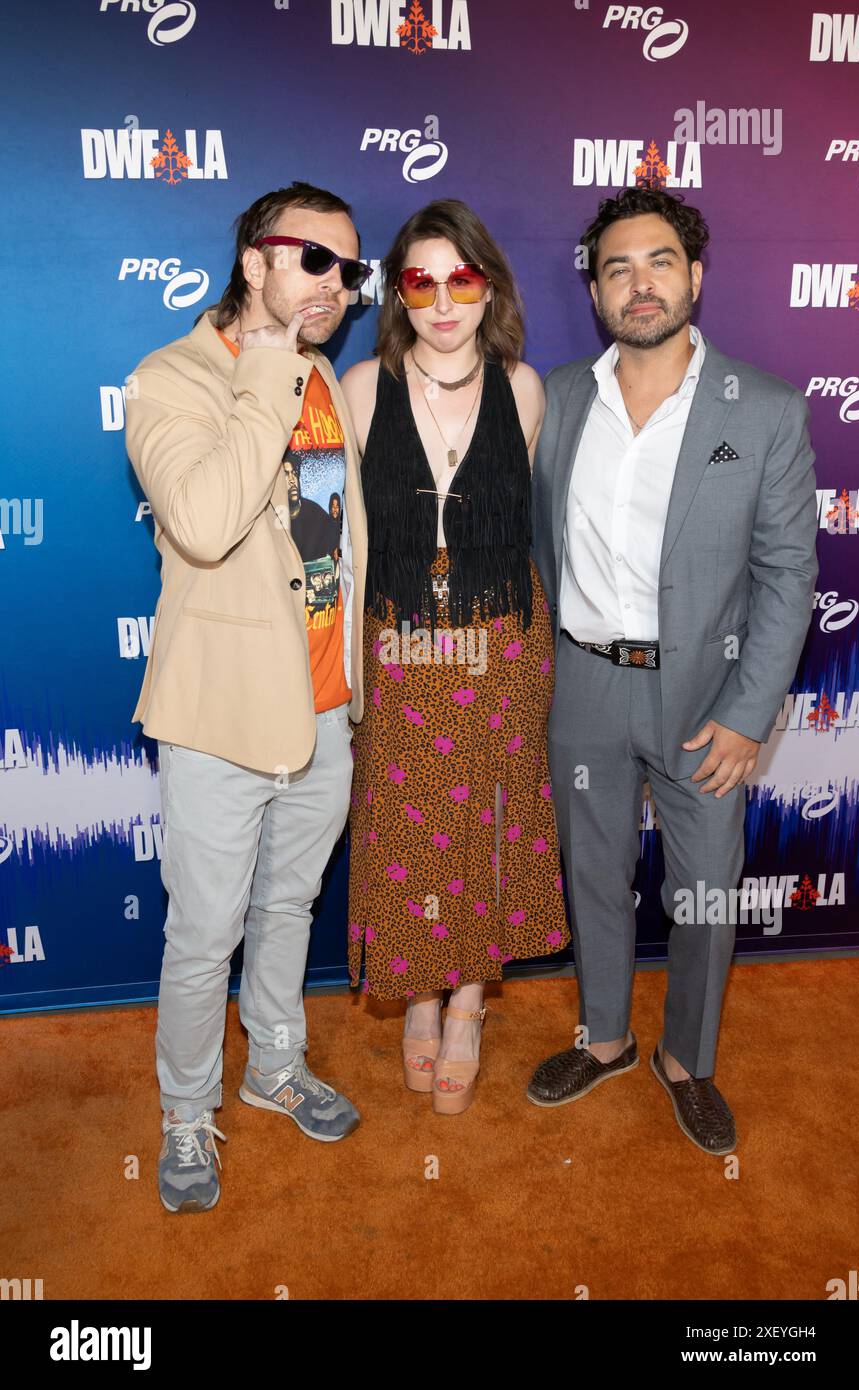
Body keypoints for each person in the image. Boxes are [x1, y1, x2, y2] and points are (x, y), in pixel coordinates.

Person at [528, 187, 818, 1153]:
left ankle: (686, 1058)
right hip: (583, 685)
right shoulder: (556, 397)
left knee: (703, 890)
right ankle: (606, 1037)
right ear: (597, 290)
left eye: (659, 262)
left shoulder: (765, 411)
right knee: (595, 877)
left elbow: (787, 573)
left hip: (706, 695)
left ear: (694, 277)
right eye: (617, 267)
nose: (639, 283)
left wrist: (751, 711)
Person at [125, 181, 372, 1211]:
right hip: (220, 718)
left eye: (349, 270)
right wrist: (268, 366)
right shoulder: (171, 377)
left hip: (321, 710)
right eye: (314, 260)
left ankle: (273, 1064)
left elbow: (336, 543)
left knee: (290, 906)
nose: (338, 286)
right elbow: (206, 520)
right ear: (254, 261)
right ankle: (187, 1111)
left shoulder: (324, 378)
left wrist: (352, 687)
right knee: (203, 931)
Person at [340, 199, 569, 1116]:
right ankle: (420, 995)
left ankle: (468, 1002)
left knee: (490, 816)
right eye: (421, 281)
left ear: (489, 287)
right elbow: (339, 534)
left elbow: (523, 529)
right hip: (399, 641)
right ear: (398, 292)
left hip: (501, 637)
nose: (443, 300)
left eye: (462, 279)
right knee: (405, 823)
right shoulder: (361, 387)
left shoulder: (525, 390)